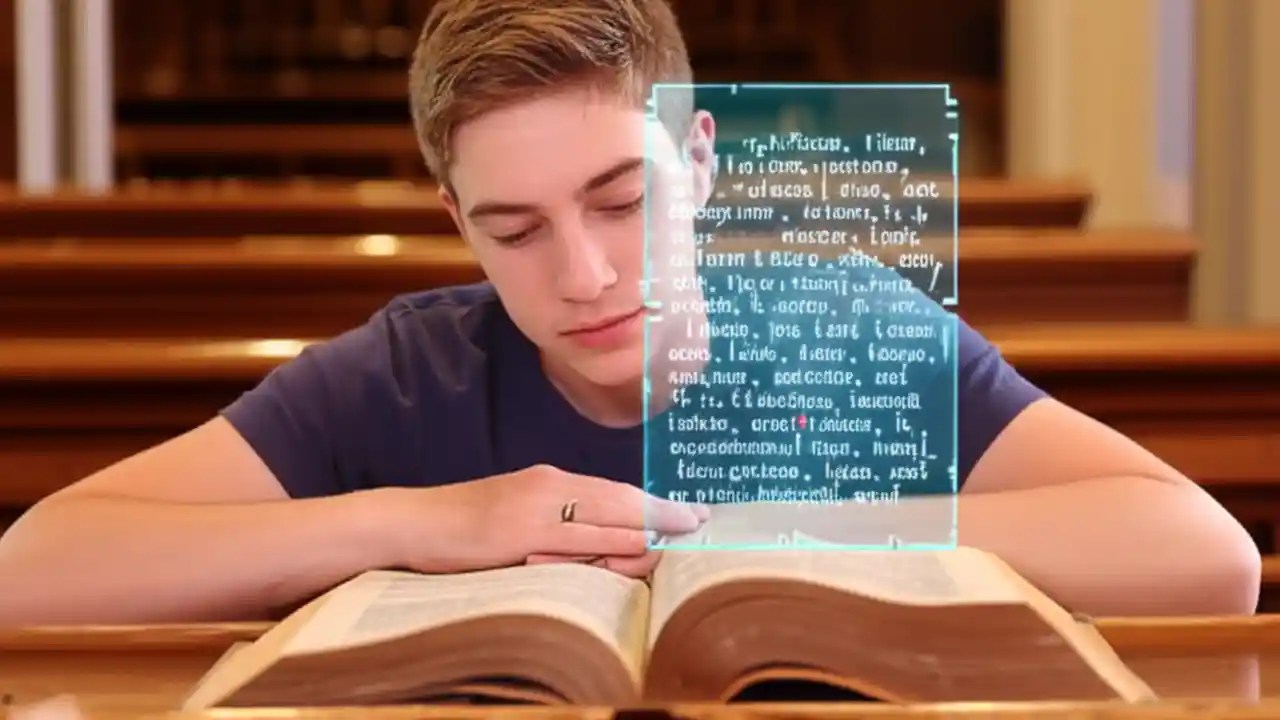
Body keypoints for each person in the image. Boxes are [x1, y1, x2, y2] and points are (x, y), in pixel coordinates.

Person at [0, 0, 1259, 625]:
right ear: (455, 221)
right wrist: (423, 523)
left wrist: (777, 537)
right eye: (516, 229)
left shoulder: (846, 325)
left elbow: (1202, 559)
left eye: (621, 200)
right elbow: (33, 571)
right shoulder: (397, 377)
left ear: (699, 161)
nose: (588, 275)